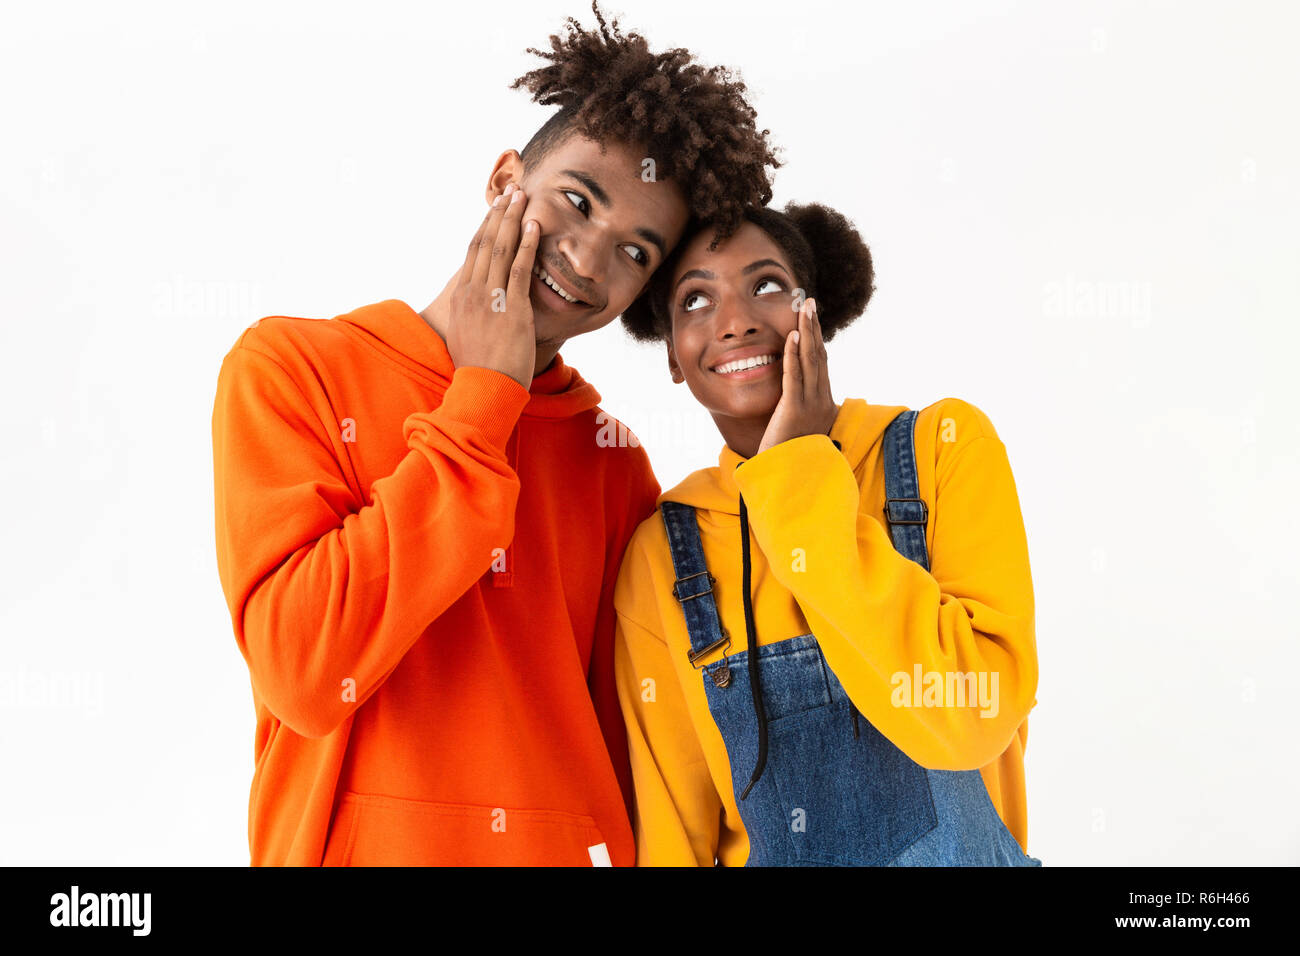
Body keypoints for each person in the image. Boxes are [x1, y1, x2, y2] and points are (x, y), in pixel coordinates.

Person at [210, 1, 778, 866]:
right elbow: (304, 670)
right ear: (504, 178)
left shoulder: (611, 463)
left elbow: (638, 733)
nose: (587, 260)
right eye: (577, 201)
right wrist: (483, 397)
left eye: (635, 252)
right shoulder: (295, 369)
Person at [613, 201, 1042, 865]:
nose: (736, 322)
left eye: (766, 285)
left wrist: (798, 479)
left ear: (815, 312)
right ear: (671, 353)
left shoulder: (940, 451)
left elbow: (968, 723)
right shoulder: (665, 551)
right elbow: (675, 833)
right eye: (696, 299)